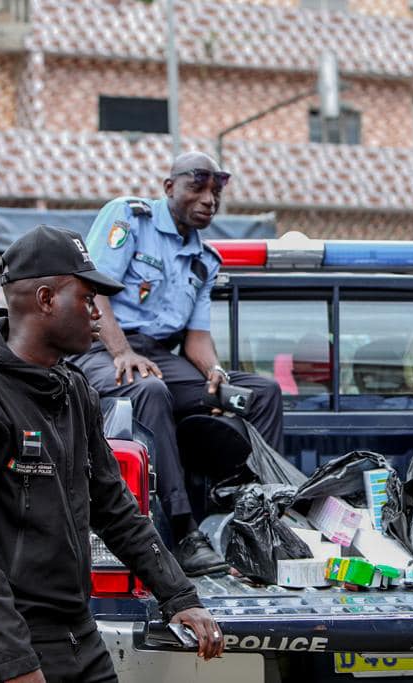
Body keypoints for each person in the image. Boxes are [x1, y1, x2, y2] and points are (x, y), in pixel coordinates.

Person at [0, 226, 222, 683]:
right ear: (46, 299)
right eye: (87, 299)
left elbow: (114, 506)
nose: (96, 314)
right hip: (0, 636)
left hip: (74, 626)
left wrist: (179, 596)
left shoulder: (73, 389)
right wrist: (14, 662)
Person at [71, 151, 284, 576]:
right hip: (99, 347)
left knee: (260, 393)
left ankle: (257, 517)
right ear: (170, 187)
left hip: (161, 354)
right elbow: (94, 293)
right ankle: (185, 533)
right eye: (197, 186)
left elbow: (197, 337)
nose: (209, 199)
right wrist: (121, 353)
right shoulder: (130, 218)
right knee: (148, 389)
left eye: (216, 192)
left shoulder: (205, 260)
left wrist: (215, 372)